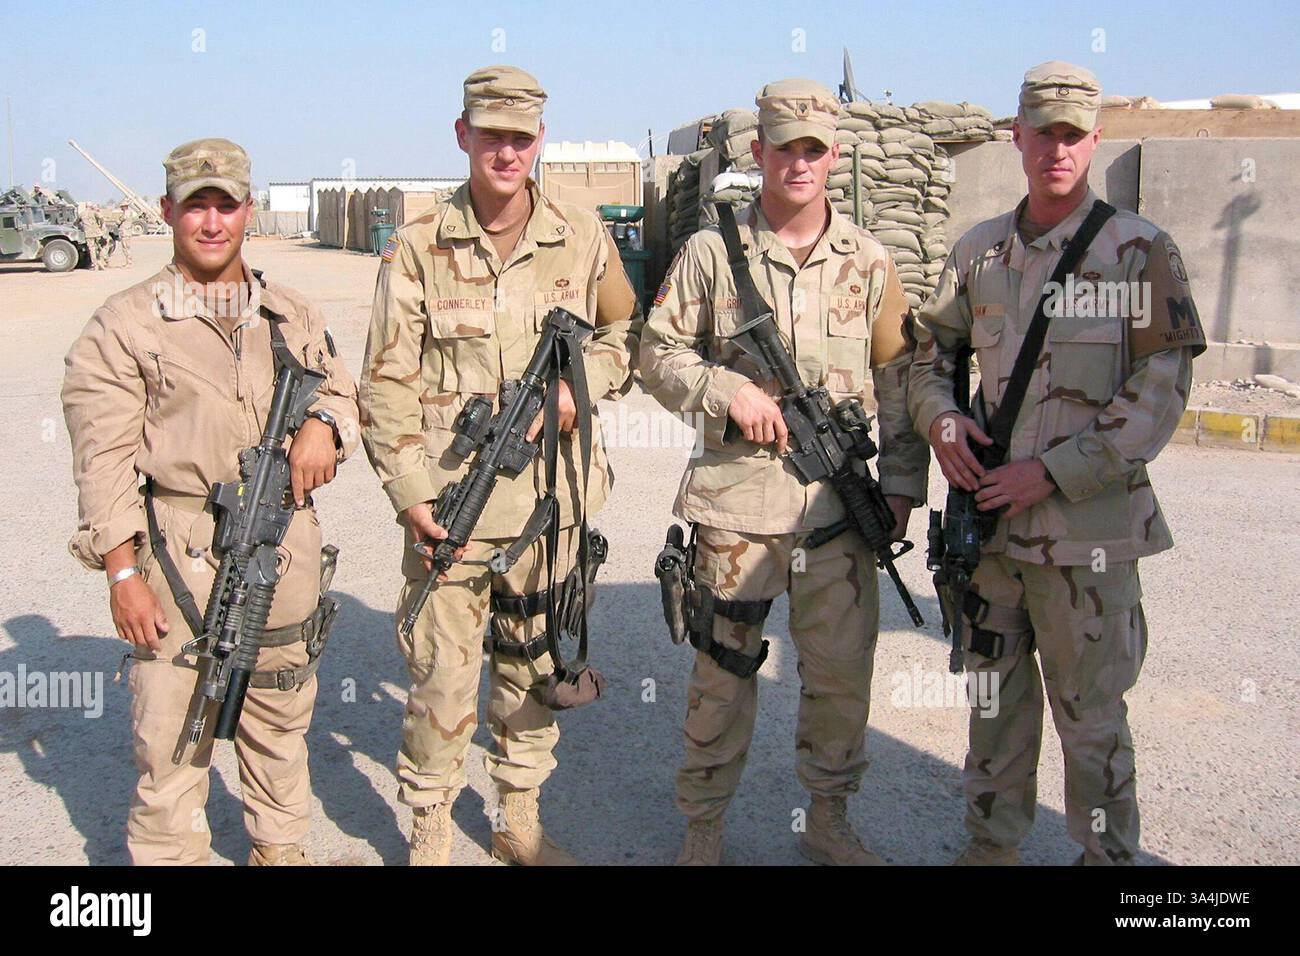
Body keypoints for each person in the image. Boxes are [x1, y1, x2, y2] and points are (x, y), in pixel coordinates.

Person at [908, 61, 1206, 865]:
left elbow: (1160, 391)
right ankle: (990, 850)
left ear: (1096, 141)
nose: (1058, 148)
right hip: (992, 540)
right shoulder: (979, 252)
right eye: (1045, 131)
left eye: (1075, 134)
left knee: (1093, 721)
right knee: (992, 711)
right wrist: (940, 421)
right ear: (1019, 137)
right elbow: (927, 357)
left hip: (1087, 541)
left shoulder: (1138, 253)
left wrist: (1055, 472)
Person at [639, 78, 929, 865]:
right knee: (721, 679)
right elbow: (654, 353)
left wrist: (904, 485)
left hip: (837, 513)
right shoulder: (710, 253)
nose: (797, 164)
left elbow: (902, 379)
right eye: (783, 149)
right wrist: (725, 390)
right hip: (735, 512)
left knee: (839, 680)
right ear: (758, 153)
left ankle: (828, 822)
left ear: (832, 157)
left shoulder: (867, 260)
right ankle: (703, 829)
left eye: (813, 150)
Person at [359, 65, 641, 866]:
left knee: (529, 668)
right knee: (442, 679)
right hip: (452, 507)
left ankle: (519, 816)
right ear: (463, 137)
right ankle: (431, 828)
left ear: (539, 141)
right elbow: (384, 383)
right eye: (493, 137)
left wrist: (578, 390)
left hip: (550, 506)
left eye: (522, 138)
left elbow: (627, 334)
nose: (507, 152)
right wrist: (411, 493)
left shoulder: (582, 236)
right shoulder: (418, 246)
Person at [61, 138, 360, 865]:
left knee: (279, 731)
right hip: (178, 554)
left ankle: (280, 853)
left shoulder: (290, 312)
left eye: (226, 204)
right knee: (171, 746)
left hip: (283, 548)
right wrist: (122, 574)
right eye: (196, 205)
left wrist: (326, 425)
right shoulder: (124, 324)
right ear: (168, 211)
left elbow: (346, 392)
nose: (212, 220)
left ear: (248, 211)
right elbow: (102, 460)